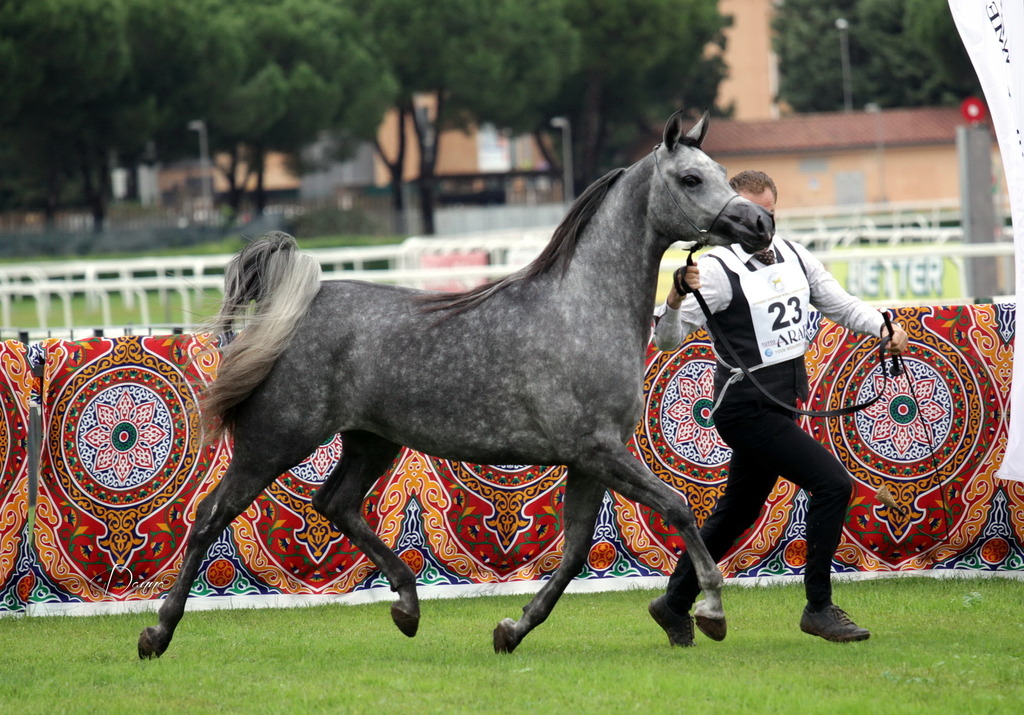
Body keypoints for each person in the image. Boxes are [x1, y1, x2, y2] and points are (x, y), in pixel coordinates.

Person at [648, 170, 908, 645]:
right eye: (749, 214)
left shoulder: (793, 254)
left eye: (767, 213)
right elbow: (664, 340)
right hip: (745, 410)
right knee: (832, 485)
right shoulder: (717, 270)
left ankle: (673, 602)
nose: (759, 223)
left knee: (738, 511)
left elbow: (840, 304)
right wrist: (674, 295)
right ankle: (819, 607)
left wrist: (884, 326)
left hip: (780, 404)